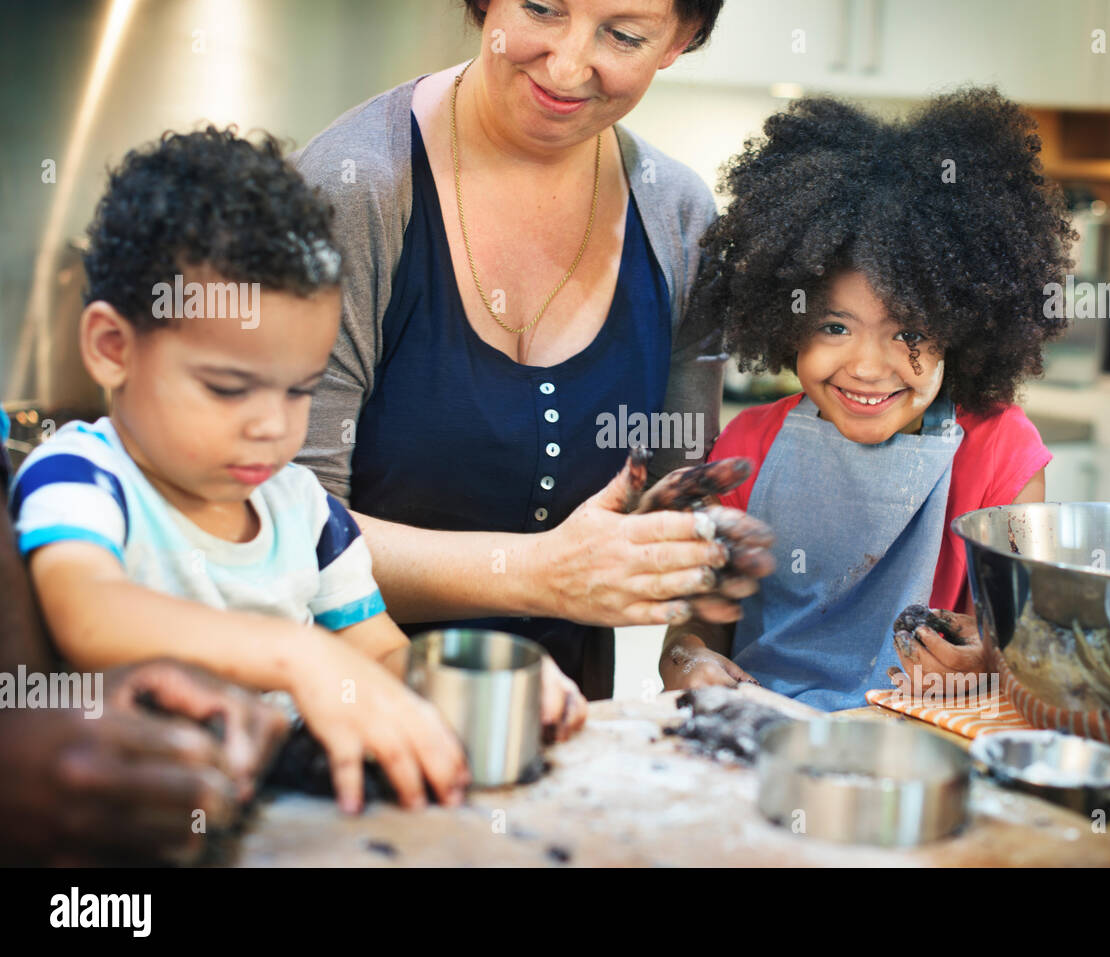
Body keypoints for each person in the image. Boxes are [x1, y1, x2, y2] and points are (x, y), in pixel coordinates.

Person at [7, 127, 583, 815]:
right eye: (227, 388)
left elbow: (373, 650)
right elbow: (90, 613)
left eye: (299, 390)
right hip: (140, 819)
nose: (272, 426)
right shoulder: (83, 475)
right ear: (112, 348)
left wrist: (480, 685)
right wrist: (296, 655)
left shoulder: (304, 508)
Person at [291, 0, 766, 699]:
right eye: (543, 7)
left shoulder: (679, 220)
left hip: (566, 733)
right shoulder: (354, 189)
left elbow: (663, 496)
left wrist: (698, 556)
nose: (570, 65)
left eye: (624, 35)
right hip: (353, 720)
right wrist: (542, 572)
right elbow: (284, 528)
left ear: (680, 40)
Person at [659, 91, 1076, 710]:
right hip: (765, 740)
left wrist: (986, 660)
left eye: (909, 332)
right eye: (834, 327)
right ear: (784, 318)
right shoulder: (748, 447)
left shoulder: (1001, 454)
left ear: (964, 332)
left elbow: (1031, 647)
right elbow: (692, 633)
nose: (866, 367)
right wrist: (687, 660)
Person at [1, 409, 287, 865]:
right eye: (225, 389)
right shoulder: (75, 470)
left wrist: (76, 694)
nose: (271, 424)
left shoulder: (295, 498)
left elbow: (16, 685)